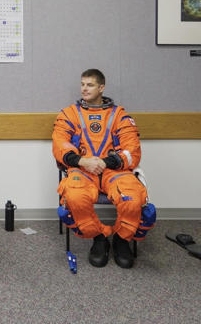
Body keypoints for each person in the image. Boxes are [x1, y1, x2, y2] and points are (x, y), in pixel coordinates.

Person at [53, 69, 154, 269]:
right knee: (74, 197)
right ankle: (99, 237)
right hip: (82, 169)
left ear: (101, 88)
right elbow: (60, 144)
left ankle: (121, 239)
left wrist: (105, 162)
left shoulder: (120, 116)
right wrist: (83, 161)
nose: (84, 89)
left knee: (133, 198)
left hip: (114, 171)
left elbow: (132, 150)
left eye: (90, 85)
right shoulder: (69, 114)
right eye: (82, 84)